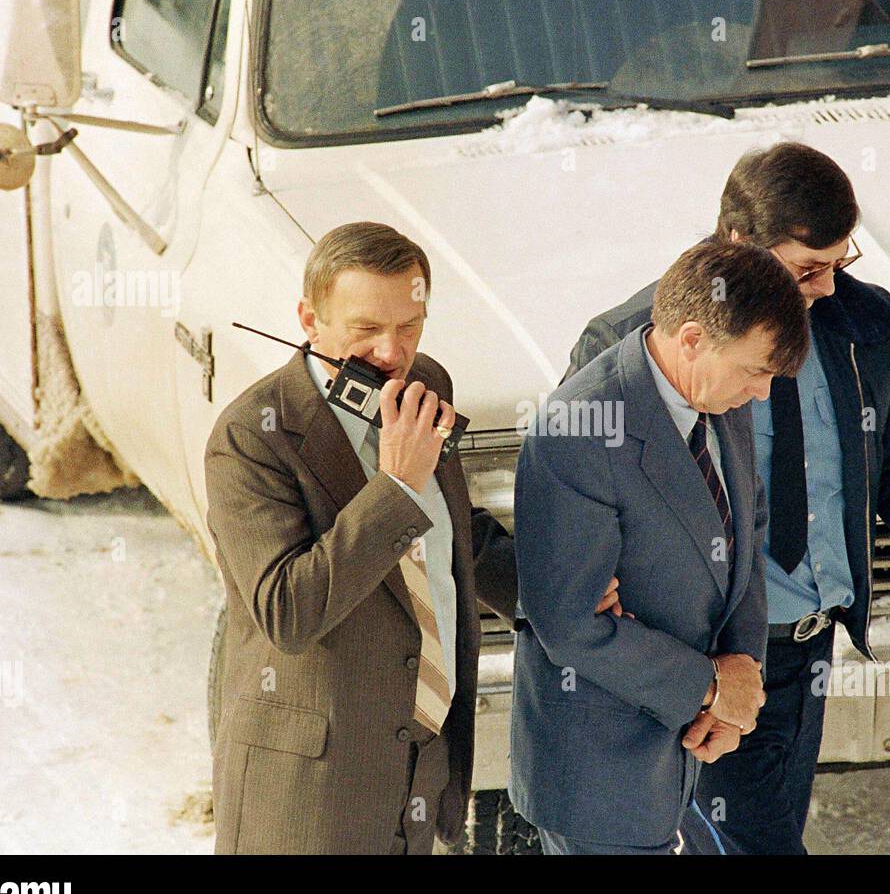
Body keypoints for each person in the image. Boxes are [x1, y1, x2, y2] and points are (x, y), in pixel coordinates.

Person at [564, 142, 890, 855]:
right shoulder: (635, 341)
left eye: (840, 263)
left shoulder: (860, 324)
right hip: (699, 662)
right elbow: (580, 507)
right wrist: (663, 667)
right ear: (740, 244)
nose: (827, 287)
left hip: (805, 654)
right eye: (808, 269)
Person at [204, 221, 619, 853]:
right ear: (309, 319)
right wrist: (395, 486)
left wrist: (559, 591)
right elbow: (288, 612)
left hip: (419, 763)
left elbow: (455, 535)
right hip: (310, 792)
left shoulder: (426, 382)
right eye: (365, 330)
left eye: (409, 326)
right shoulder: (252, 439)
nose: (393, 354)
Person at [511, 240, 810, 854]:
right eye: (755, 371)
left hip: (683, 749)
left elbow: (746, 536)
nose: (761, 394)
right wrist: (710, 685)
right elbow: (570, 626)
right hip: (599, 776)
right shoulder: (579, 430)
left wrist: (738, 687)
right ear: (694, 338)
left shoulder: (714, 394)